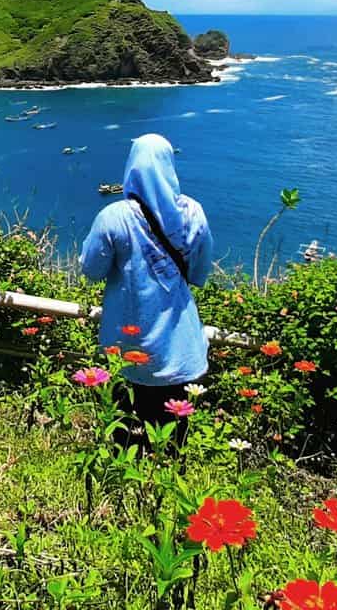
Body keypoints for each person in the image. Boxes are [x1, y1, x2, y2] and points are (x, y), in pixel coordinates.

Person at [81, 133, 214, 447]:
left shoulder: (113, 217)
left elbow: (91, 271)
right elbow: (199, 274)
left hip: (127, 351)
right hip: (182, 352)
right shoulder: (194, 213)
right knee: (172, 449)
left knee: (124, 444)